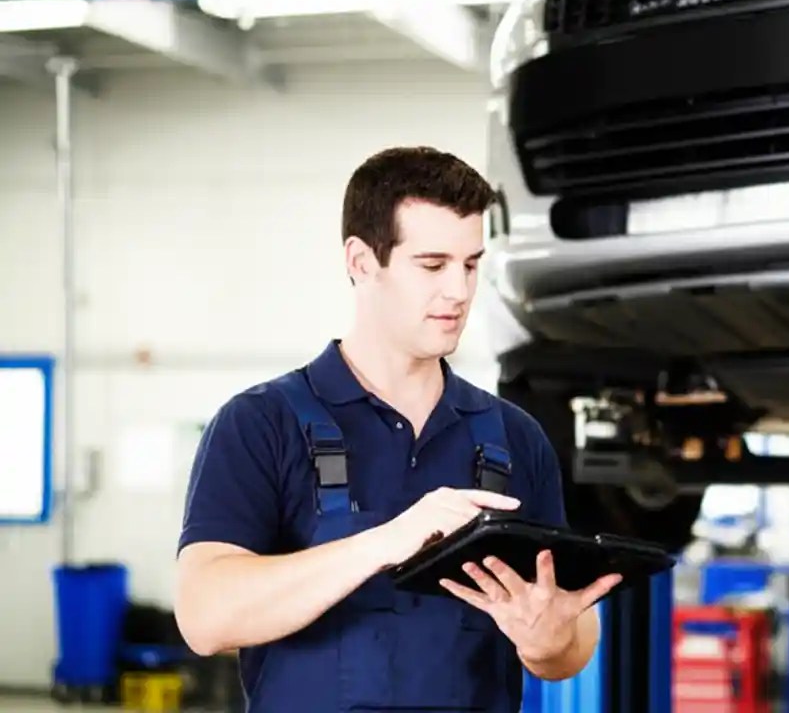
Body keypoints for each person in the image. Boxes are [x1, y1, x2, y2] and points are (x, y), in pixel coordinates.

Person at [174, 146, 621, 712]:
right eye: (433, 266)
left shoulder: (515, 438)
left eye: (471, 264)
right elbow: (204, 617)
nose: (458, 292)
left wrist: (551, 641)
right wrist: (384, 543)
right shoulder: (262, 423)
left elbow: (571, 641)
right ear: (362, 262)